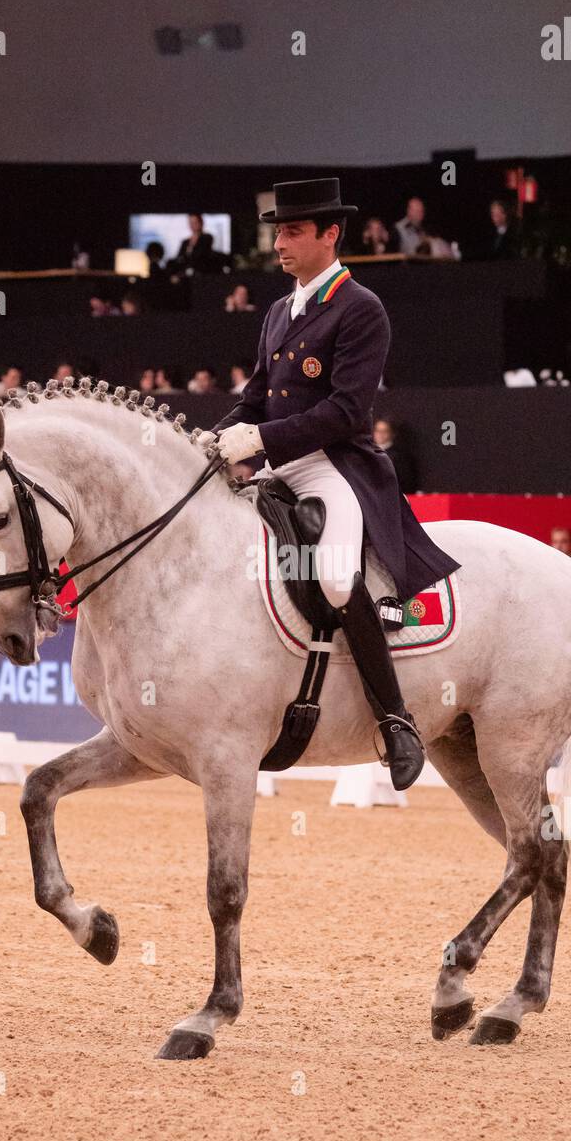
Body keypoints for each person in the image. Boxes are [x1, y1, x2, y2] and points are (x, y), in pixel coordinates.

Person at [197, 177, 460, 790]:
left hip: (332, 463)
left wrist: (260, 441)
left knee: (338, 577)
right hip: (276, 461)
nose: (280, 244)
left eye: (292, 232)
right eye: (277, 232)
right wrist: (214, 439)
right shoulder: (277, 311)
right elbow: (257, 397)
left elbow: (345, 411)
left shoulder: (360, 307)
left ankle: (396, 721)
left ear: (329, 234)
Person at [373, 417, 418, 494]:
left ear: (392, 433)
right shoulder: (367, 452)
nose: (380, 434)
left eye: (384, 431)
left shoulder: (399, 456)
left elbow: (405, 480)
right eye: (377, 431)